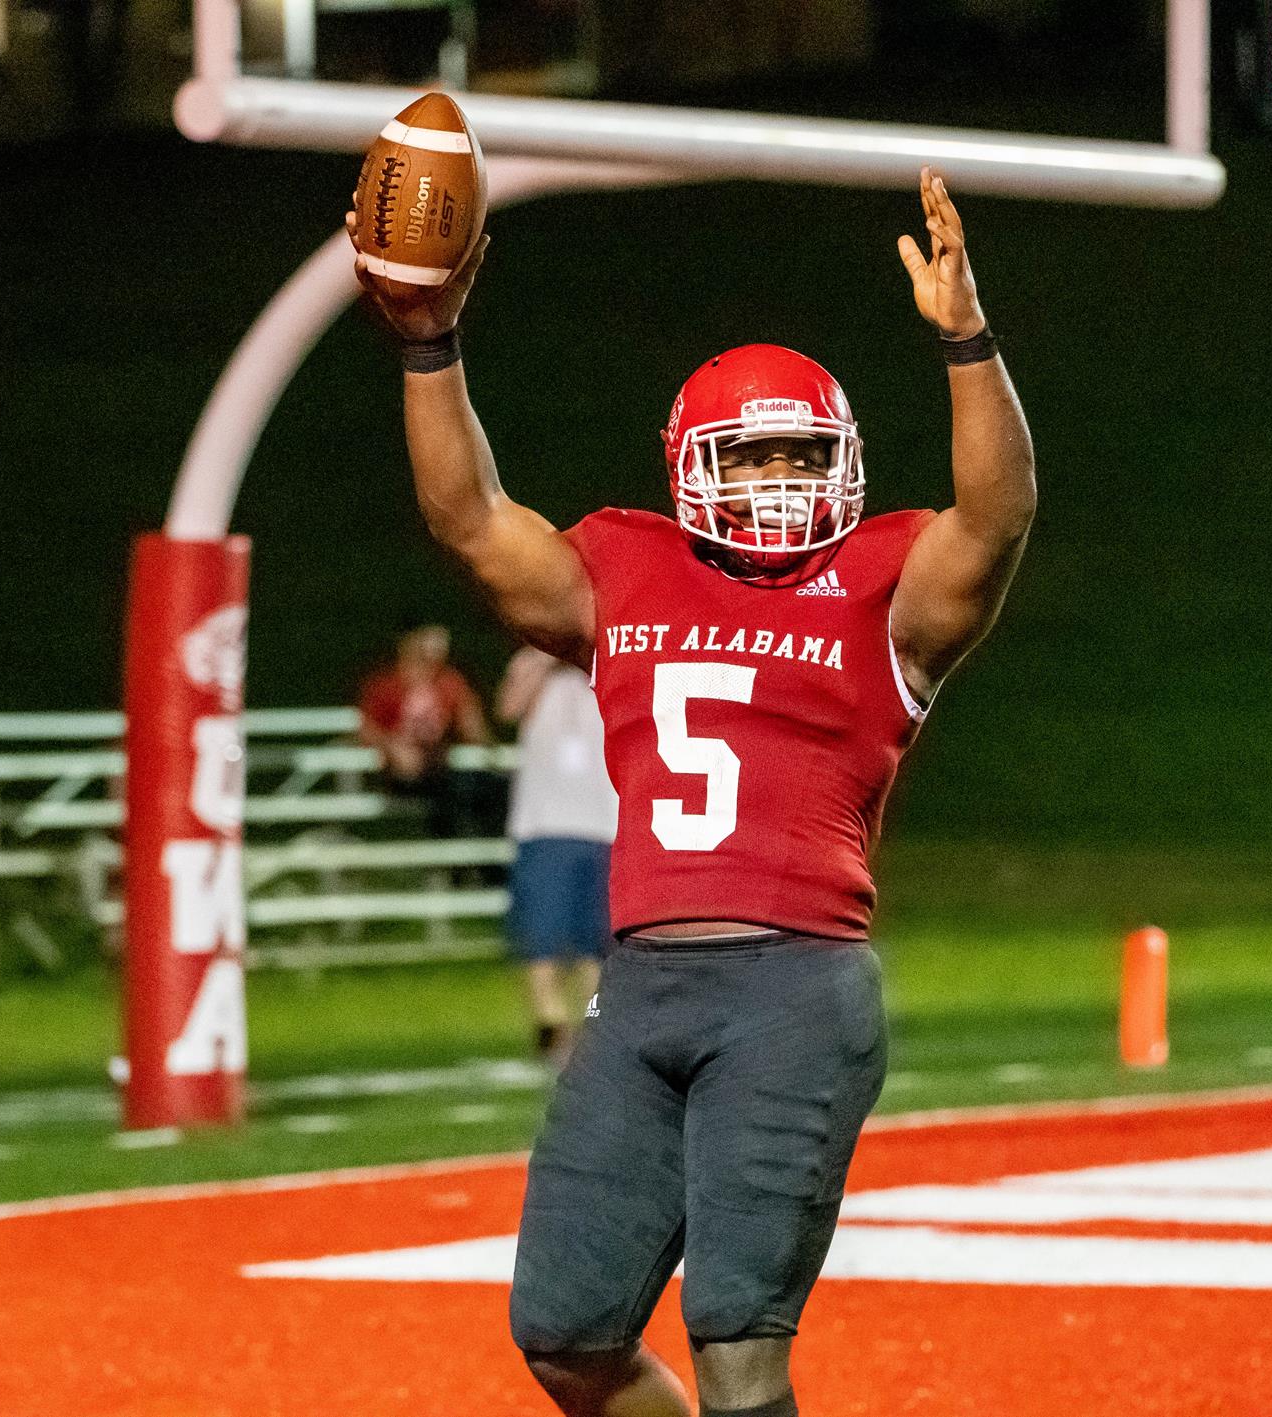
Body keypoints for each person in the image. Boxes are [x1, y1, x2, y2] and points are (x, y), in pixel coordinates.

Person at [349, 165, 1034, 1417]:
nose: (774, 479)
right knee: (565, 1329)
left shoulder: (887, 583)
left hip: (792, 989)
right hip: (640, 989)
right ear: (689, 466)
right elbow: (468, 520)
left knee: (736, 1342)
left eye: (798, 455)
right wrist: (427, 346)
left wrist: (966, 344)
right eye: (750, 454)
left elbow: (994, 518)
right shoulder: (623, 563)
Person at [497, 644, 617, 1069]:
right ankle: (549, 1026)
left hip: (603, 823)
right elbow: (508, 709)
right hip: (545, 824)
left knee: (597, 943)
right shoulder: (534, 661)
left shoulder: (609, 657)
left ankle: (594, 1029)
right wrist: (549, 655)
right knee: (541, 936)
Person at [355, 623, 494, 836]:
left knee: (485, 786)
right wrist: (392, 747)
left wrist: (485, 747)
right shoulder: (387, 685)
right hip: (400, 774)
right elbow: (366, 728)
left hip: (440, 769)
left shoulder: (449, 682)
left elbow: (473, 728)